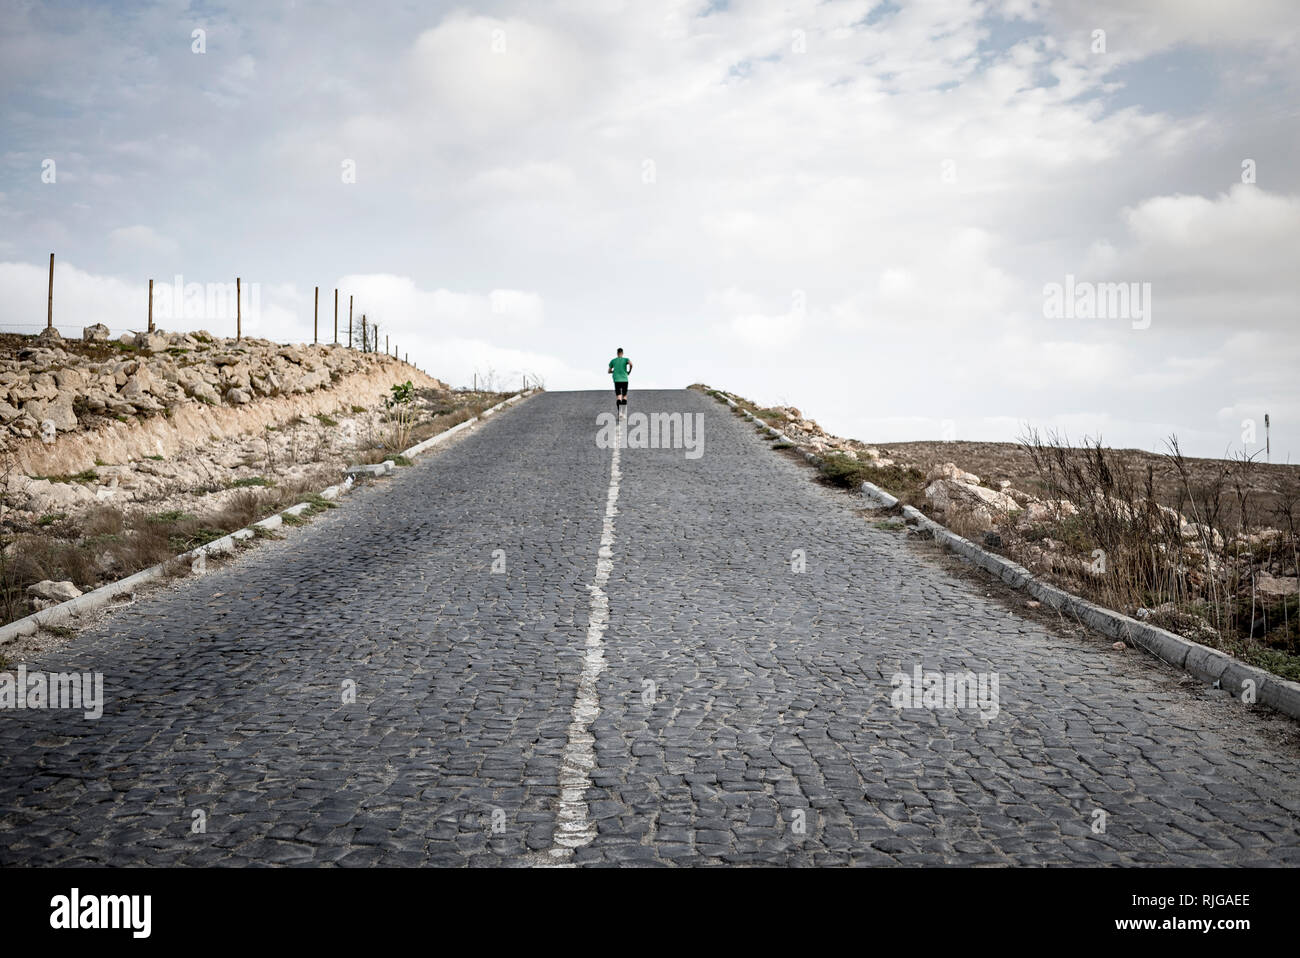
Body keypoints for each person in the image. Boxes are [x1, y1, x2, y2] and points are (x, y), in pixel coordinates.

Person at [608, 347, 632, 414]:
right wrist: (629, 371)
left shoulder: (613, 361)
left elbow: (609, 371)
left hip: (617, 380)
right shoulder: (626, 359)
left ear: (617, 353)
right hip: (624, 379)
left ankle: (620, 413)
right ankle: (623, 413)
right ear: (622, 353)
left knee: (619, 396)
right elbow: (631, 364)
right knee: (624, 396)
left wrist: (614, 371)